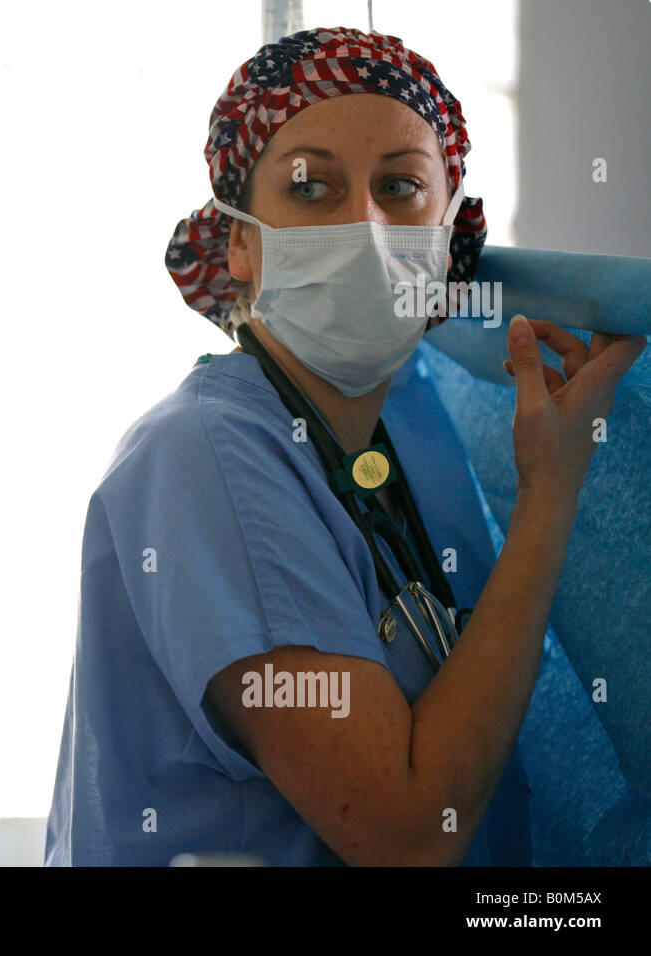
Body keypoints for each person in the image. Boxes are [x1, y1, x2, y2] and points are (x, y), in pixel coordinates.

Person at [44, 26, 646, 866]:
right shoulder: (204, 460)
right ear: (241, 244)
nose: (365, 226)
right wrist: (550, 500)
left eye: (400, 187)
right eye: (311, 187)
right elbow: (402, 829)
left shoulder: (416, 436)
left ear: (448, 241)